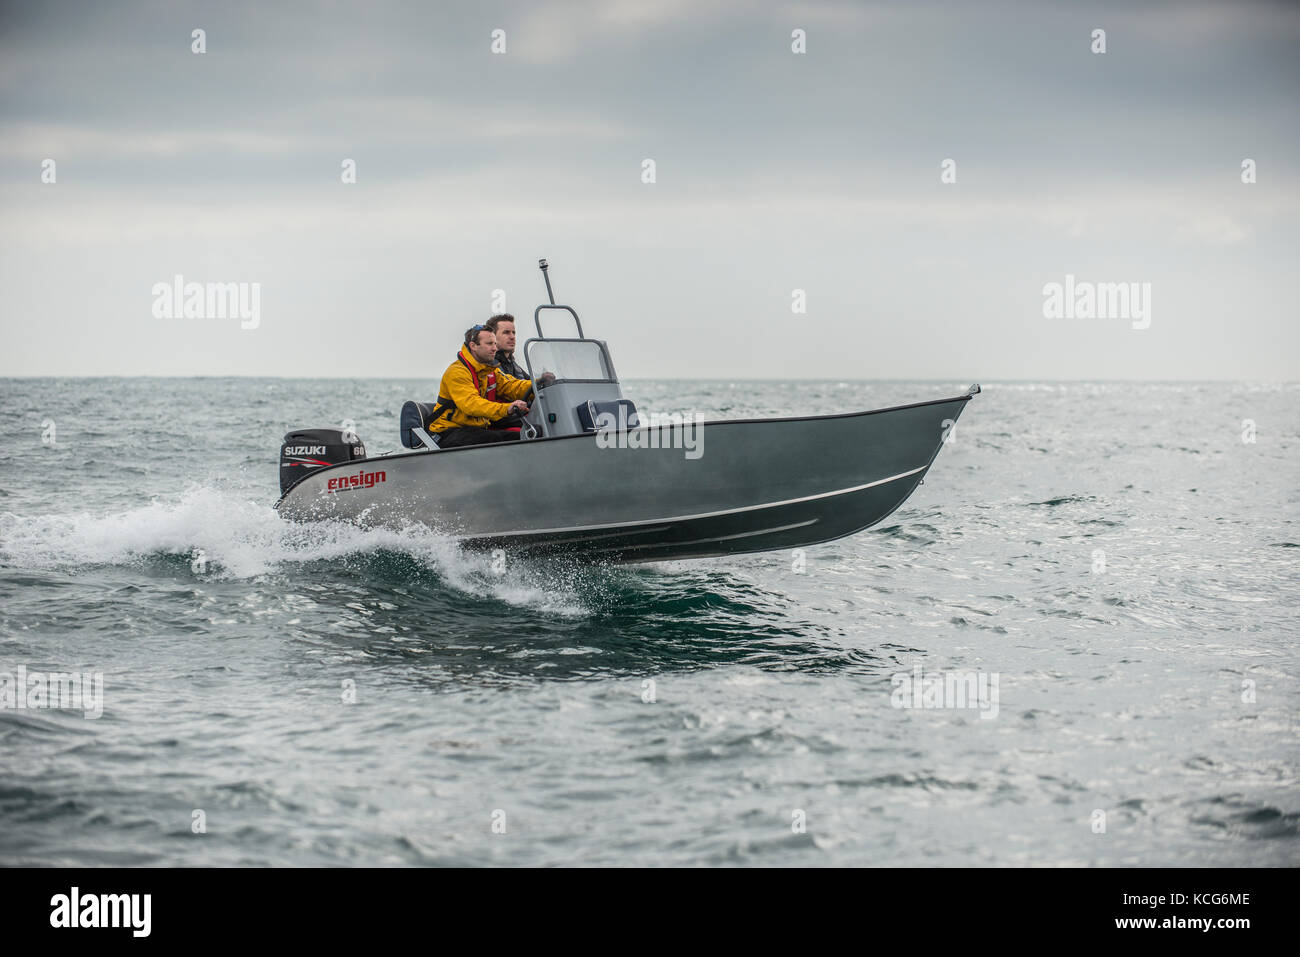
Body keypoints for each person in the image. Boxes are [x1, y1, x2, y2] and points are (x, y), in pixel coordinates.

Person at [427, 325, 534, 447]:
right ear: (473, 346)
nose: (495, 348)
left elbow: (512, 386)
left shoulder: (490, 370)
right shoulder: (457, 372)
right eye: (489, 344)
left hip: (473, 429)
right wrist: (507, 408)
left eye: (495, 343)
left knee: (523, 436)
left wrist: (538, 384)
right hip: (448, 431)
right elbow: (472, 404)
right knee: (498, 439)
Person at [485, 314, 529, 380]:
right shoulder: (487, 366)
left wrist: (543, 379)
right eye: (506, 332)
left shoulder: (512, 364)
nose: (512, 337)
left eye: (513, 333)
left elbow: (532, 384)